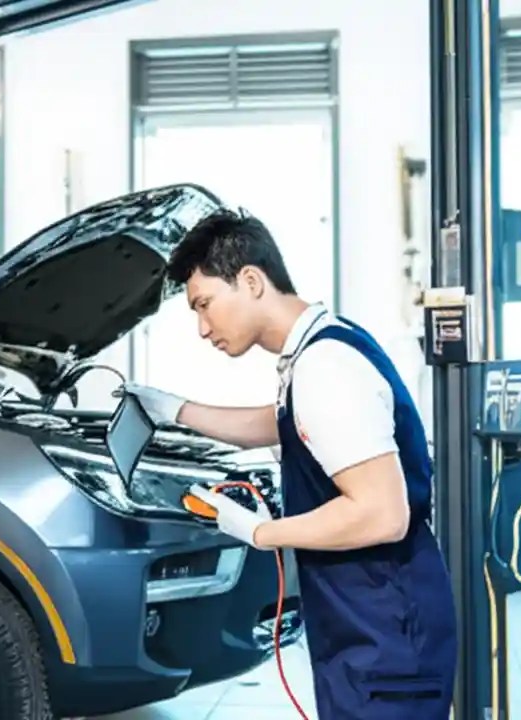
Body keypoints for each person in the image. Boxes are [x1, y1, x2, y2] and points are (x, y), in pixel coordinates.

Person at [118, 208, 457, 719]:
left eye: (205, 305)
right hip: (370, 613)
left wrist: (260, 532)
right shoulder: (318, 346)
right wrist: (176, 410)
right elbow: (287, 423)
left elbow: (382, 514)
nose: (203, 328)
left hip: (384, 623)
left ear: (251, 281)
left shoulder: (326, 368)